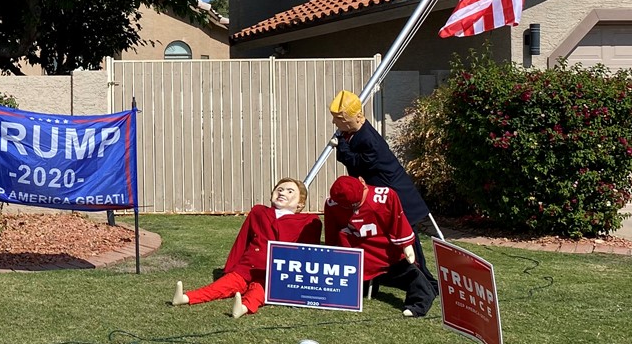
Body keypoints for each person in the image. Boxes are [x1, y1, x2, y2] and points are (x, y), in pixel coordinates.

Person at [172, 176, 324, 318]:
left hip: (273, 273)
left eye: (290, 191)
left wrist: (301, 283)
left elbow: (308, 252)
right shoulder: (259, 212)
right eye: (279, 189)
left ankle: (244, 307)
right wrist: (231, 267)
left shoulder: (308, 221)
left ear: (300, 204)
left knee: (259, 292)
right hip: (248, 266)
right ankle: (186, 297)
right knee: (221, 286)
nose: (283, 192)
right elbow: (243, 239)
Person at [323, 174, 438, 318]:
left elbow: (398, 221)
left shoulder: (385, 197)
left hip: (385, 250)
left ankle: (418, 304)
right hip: (357, 254)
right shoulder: (333, 205)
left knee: (413, 275)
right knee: (354, 286)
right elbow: (332, 231)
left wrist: (406, 245)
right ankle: (368, 286)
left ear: (362, 181)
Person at [329, 89, 434, 237]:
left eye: (339, 118)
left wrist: (341, 145)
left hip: (395, 195)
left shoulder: (370, 140)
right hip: (382, 195)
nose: (334, 122)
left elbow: (356, 163)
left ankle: (414, 261)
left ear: (358, 117)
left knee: (406, 235)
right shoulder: (355, 132)